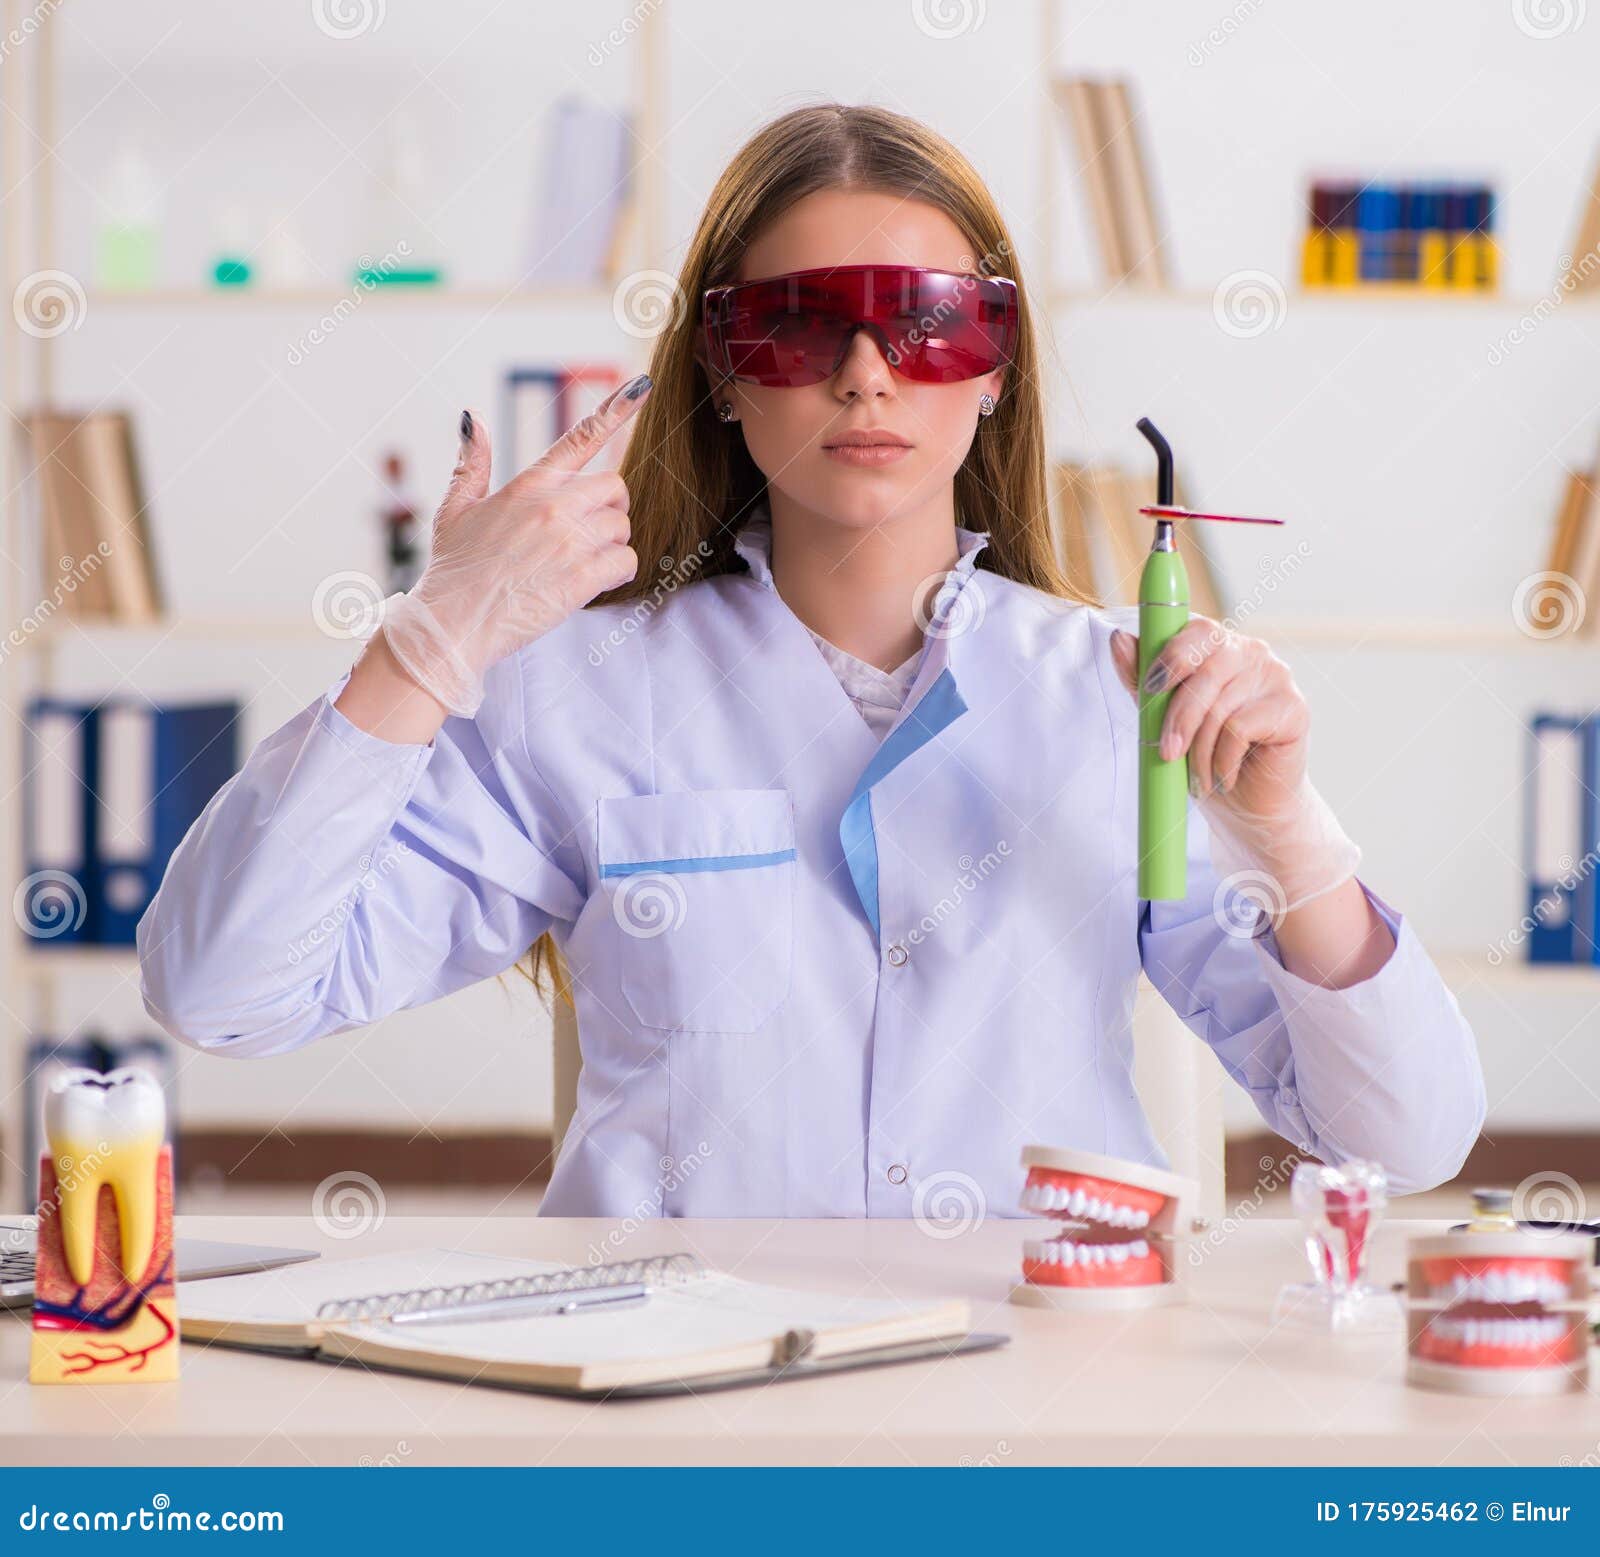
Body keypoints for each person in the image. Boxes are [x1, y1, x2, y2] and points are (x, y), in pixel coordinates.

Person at [137, 104, 1485, 1217]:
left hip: (1034, 1391)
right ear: (724, 369)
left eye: (927, 320)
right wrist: (428, 646)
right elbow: (223, 993)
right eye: (798, 324)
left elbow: (1409, 1137)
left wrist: (1286, 836)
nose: (864, 373)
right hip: (669, 1398)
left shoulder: (1115, 696)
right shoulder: (581, 693)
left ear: (996, 366)